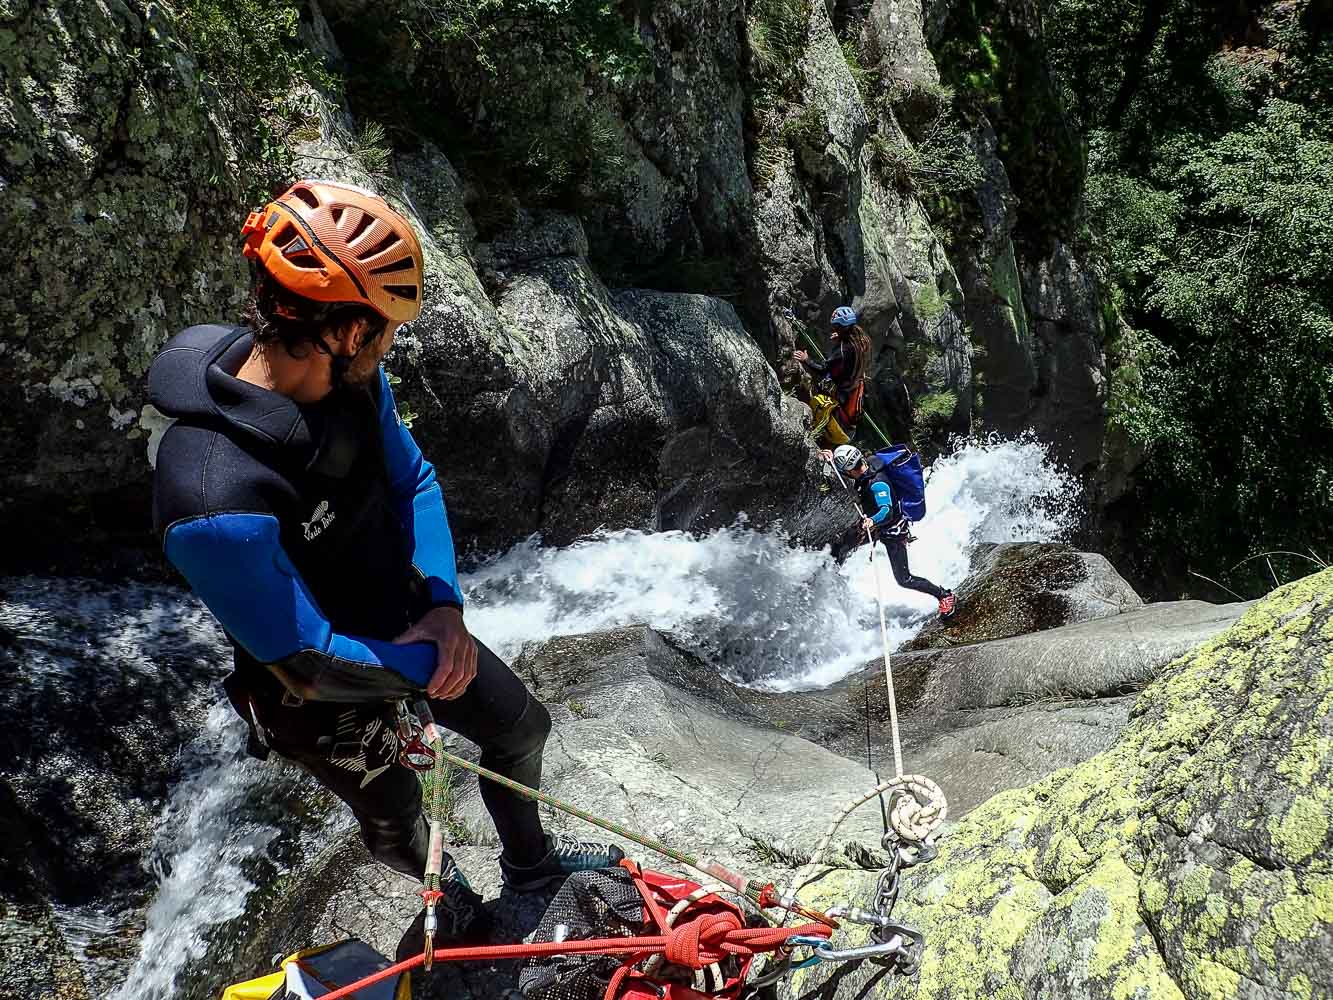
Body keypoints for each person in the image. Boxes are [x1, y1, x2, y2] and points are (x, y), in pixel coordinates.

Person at [148, 179, 621, 942]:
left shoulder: (354, 382)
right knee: (397, 815)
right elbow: (305, 661)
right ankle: (453, 903)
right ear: (344, 329)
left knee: (520, 729)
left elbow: (413, 480)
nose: (393, 343)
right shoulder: (212, 495)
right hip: (308, 688)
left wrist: (443, 608)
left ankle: (531, 867)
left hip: (402, 617)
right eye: (388, 328)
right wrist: (426, 668)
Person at [826, 444, 956, 620]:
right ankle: (827, 579)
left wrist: (873, 520)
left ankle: (944, 595)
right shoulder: (866, 467)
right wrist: (831, 459)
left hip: (892, 531)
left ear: (849, 471)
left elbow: (886, 510)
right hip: (877, 527)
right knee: (842, 544)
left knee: (904, 579)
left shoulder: (877, 484)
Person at [793, 305, 870, 448]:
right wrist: (841, 337)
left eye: (835, 327)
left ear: (839, 327)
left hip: (842, 395)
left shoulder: (842, 351)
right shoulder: (862, 340)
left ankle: (817, 429)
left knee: (814, 399)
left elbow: (823, 369)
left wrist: (806, 359)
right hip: (854, 387)